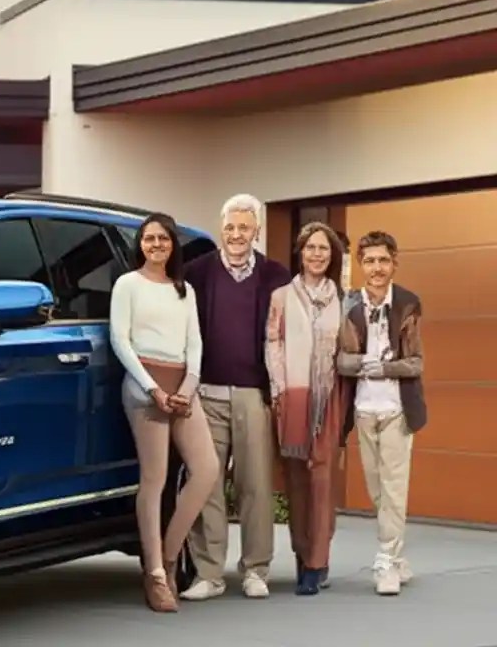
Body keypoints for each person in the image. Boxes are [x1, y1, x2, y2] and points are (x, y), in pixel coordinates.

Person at [181, 194, 291, 601]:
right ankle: (209, 574)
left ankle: (256, 570)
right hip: (206, 392)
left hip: (254, 393)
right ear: (221, 228)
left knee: (255, 485)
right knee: (207, 482)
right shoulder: (197, 273)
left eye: (244, 227)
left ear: (256, 230)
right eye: (230, 227)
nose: (236, 235)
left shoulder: (276, 276)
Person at [110, 212, 220, 613]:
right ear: (140, 244)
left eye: (163, 239)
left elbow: (195, 342)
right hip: (145, 388)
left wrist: (189, 387)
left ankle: (170, 556)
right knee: (154, 479)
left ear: (173, 245)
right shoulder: (127, 285)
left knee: (206, 470)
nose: (155, 244)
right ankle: (155, 574)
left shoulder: (183, 290)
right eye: (148, 238)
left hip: (183, 388)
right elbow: (120, 340)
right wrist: (152, 389)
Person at [336, 230, 426, 596]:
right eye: (370, 261)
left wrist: (385, 368)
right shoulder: (348, 304)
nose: (377, 268)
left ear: (394, 263)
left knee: (394, 486)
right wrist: (364, 363)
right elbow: (341, 361)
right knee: (377, 488)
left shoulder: (408, 303)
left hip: (396, 408)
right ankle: (398, 554)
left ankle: (386, 560)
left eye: (383, 261)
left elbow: (416, 362)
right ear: (361, 264)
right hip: (363, 409)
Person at [265, 222, 347, 596]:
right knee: (297, 479)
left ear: (332, 256)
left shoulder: (344, 300)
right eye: (311, 247)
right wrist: (279, 390)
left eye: (323, 249)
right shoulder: (281, 296)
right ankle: (302, 553)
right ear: (300, 252)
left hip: (329, 396)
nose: (317, 254)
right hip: (293, 394)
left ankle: (318, 561)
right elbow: (273, 344)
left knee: (323, 480)